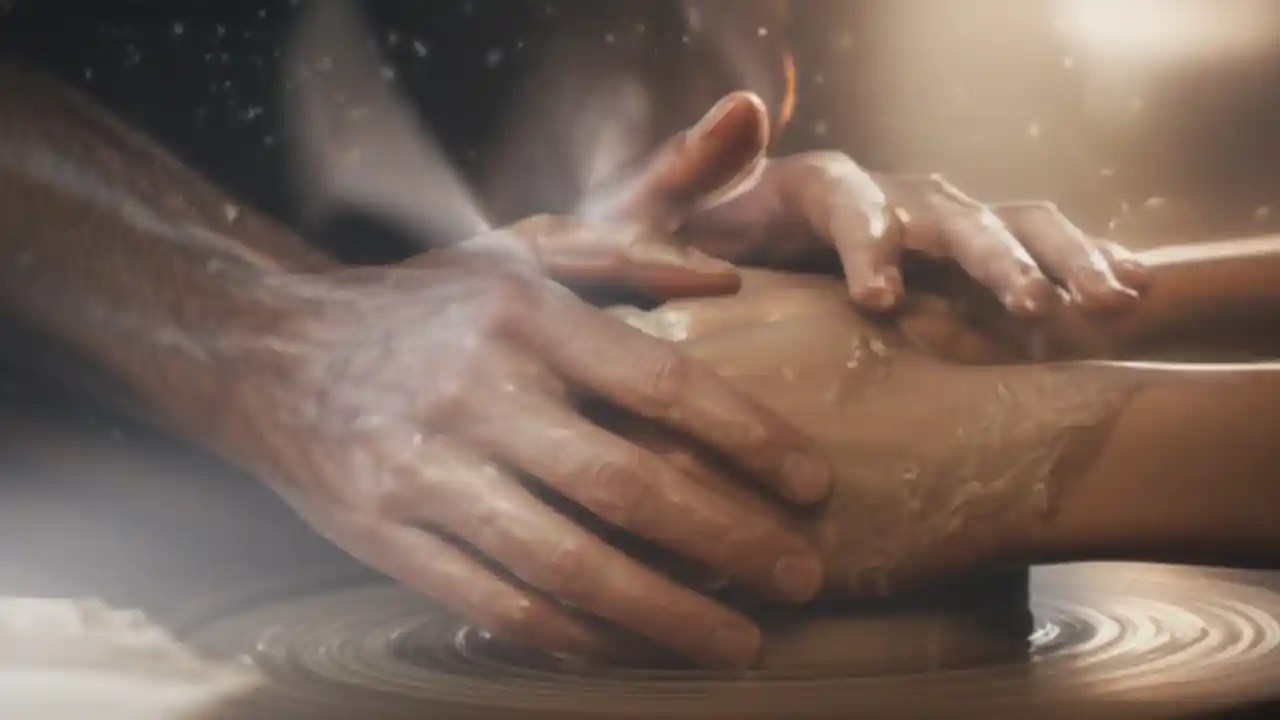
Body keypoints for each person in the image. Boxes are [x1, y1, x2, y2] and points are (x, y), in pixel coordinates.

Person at [0, 58, 1146, 670]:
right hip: (83, 496)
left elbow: (650, 31)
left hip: (487, 396)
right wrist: (269, 337)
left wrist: (625, 207)